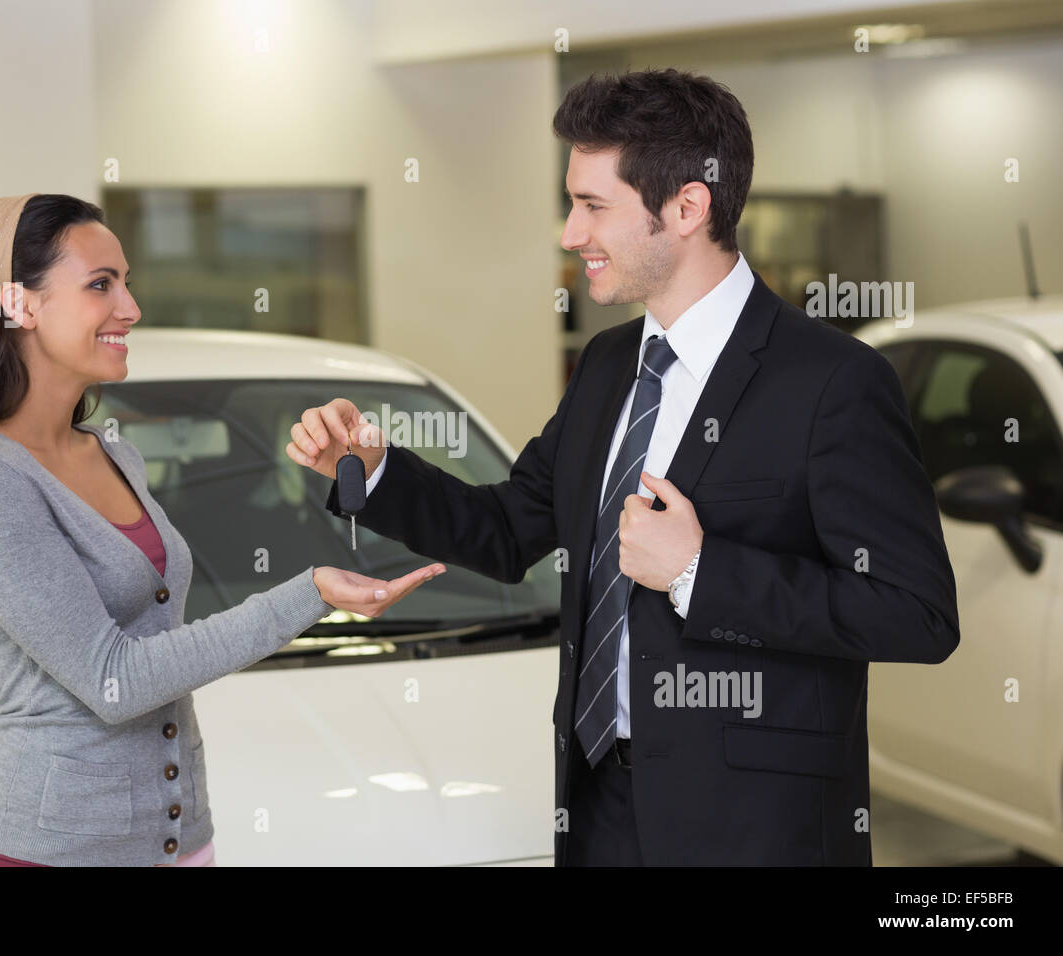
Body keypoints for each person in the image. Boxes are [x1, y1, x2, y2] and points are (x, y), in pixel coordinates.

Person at [285, 69, 959, 866]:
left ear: (687, 206)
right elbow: (507, 530)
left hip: (756, 830)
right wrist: (377, 467)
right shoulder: (609, 365)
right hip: (597, 805)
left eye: (593, 206)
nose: (570, 235)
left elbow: (916, 613)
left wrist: (699, 572)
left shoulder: (833, 382)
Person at [0, 193, 443, 866]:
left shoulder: (113, 453)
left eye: (126, 282)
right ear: (19, 304)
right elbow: (114, 678)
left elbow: (160, 638)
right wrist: (312, 591)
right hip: (54, 851)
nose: (130, 308)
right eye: (101, 285)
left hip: (181, 844)